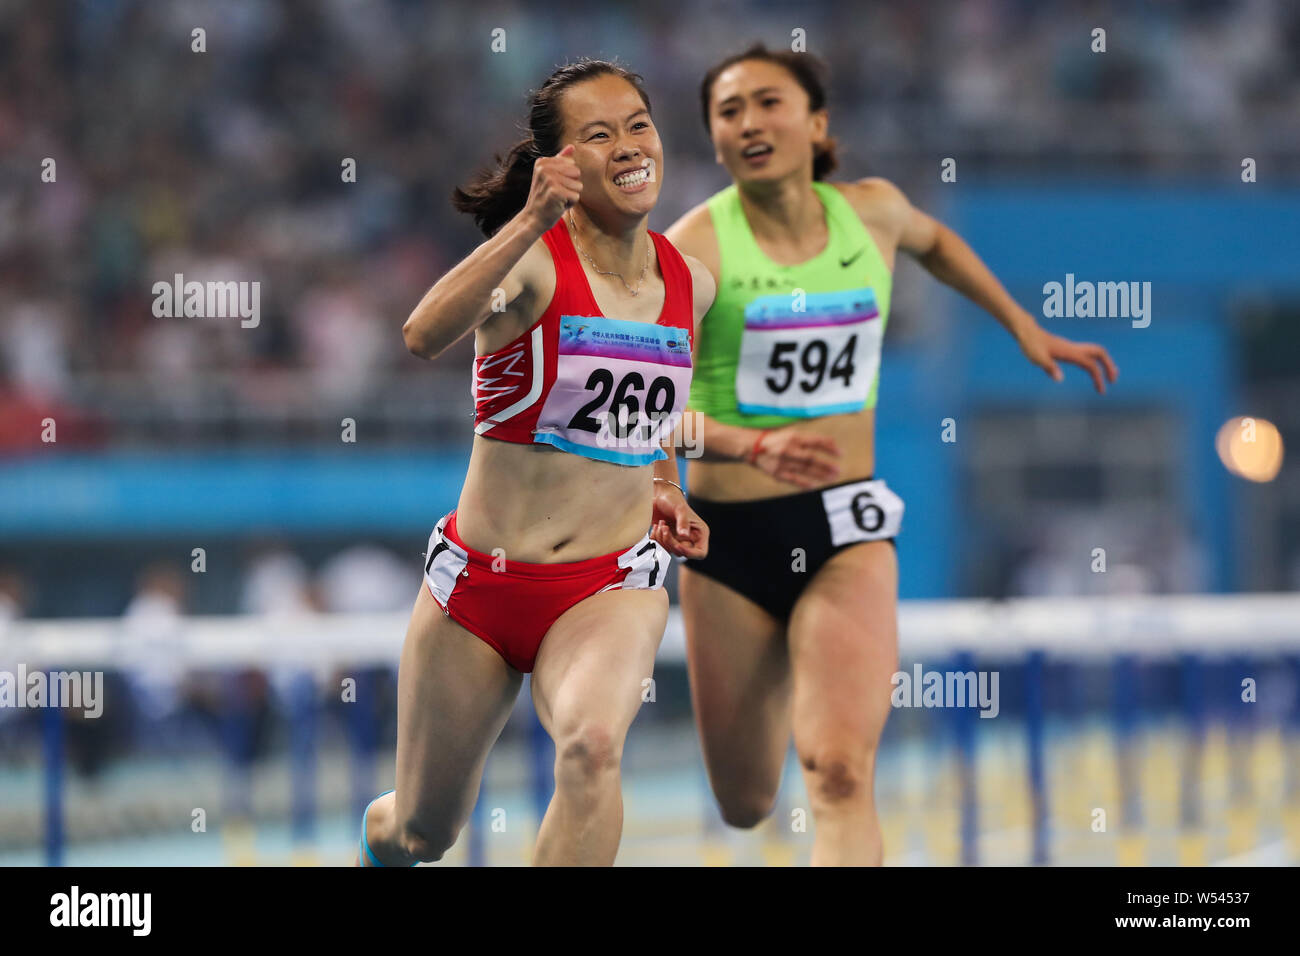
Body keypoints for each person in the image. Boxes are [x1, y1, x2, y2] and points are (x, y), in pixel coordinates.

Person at [664, 44, 1118, 865]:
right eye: (728, 113)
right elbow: (654, 415)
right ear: (715, 139)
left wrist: (1019, 322)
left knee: (838, 770)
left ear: (816, 122)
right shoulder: (694, 249)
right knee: (744, 800)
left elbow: (935, 242)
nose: (748, 123)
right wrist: (732, 452)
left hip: (846, 523)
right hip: (725, 540)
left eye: (768, 102)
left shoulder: (872, 212)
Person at [358, 59, 714, 867]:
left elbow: (654, 411)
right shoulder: (533, 264)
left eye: (638, 124)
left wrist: (666, 487)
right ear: (560, 163)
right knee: (420, 830)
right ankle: (376, 843)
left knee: (591, 748)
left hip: (607, 584)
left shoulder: (692, 282)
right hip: (479, 589)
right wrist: (526, 221)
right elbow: (420, 334)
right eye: (599, 134)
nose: (629, 146)